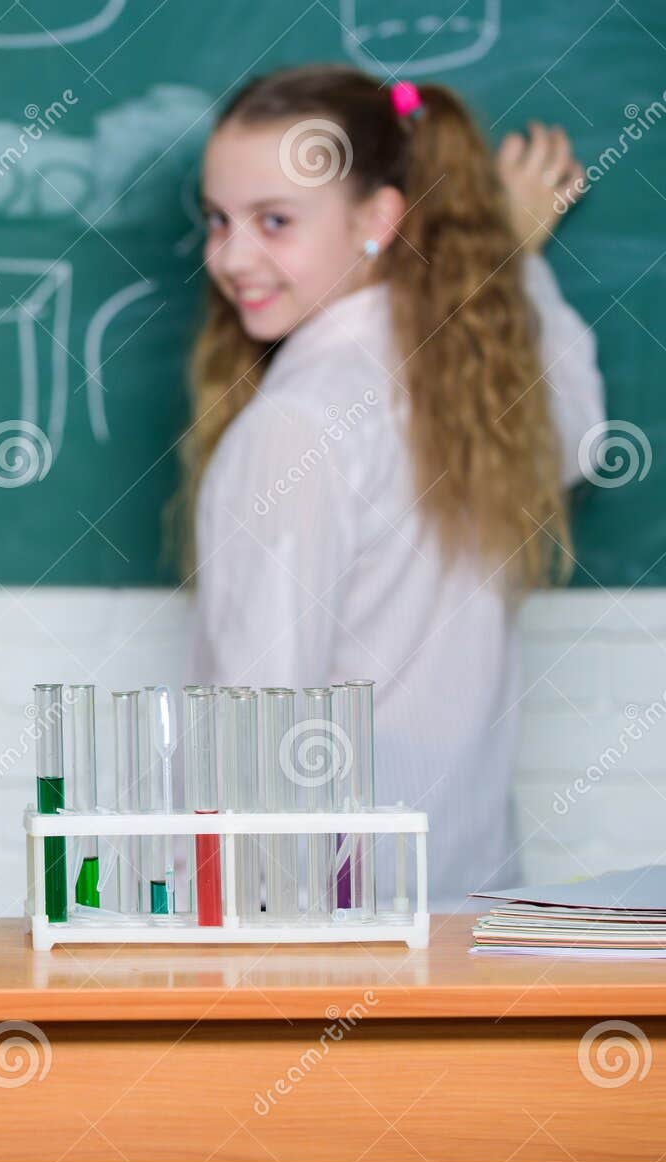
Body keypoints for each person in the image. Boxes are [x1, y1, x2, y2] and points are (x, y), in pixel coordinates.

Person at [183, 66, 604, 907]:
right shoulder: (475, 384)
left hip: (327, 935)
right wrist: (512, 260)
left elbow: (252, 735)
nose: (232, 257)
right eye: (219, 219)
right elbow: (582, 435)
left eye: (275, 221)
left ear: (378, 218)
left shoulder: (297, 423)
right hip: (471, 912)